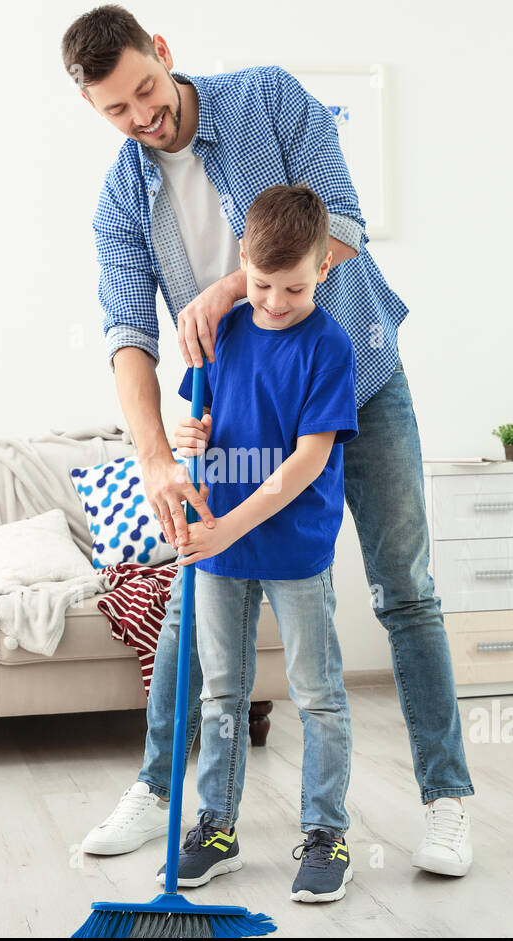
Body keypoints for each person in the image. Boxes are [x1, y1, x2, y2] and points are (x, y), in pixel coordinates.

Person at [62, 4, 475, 877]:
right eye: (117, 110)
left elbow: (349, 230)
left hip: (355, 372)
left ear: (162, 53)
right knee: (189, 595)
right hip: (242, 415)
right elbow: (127, 333)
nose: (143, 117)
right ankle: (162, 788)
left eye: (146, 90)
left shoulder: (269, 100)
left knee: (405, 587)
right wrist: (156, 459)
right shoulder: (117, 201)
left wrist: (224, 292)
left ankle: (446, 801)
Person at [160, 185, 358, 902]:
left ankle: (326, 832)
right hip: (219, 542)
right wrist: (193, 435)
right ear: (242, 261)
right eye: (265, 283)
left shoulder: (330, 347)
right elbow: (203, 419)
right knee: (221, 692)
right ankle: (216, 826)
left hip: (292, 546)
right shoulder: (225, 329)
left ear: (324, 270)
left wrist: (229, 526)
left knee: (317, 696)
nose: (276, 301)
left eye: (295, 287)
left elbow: (307, 462)